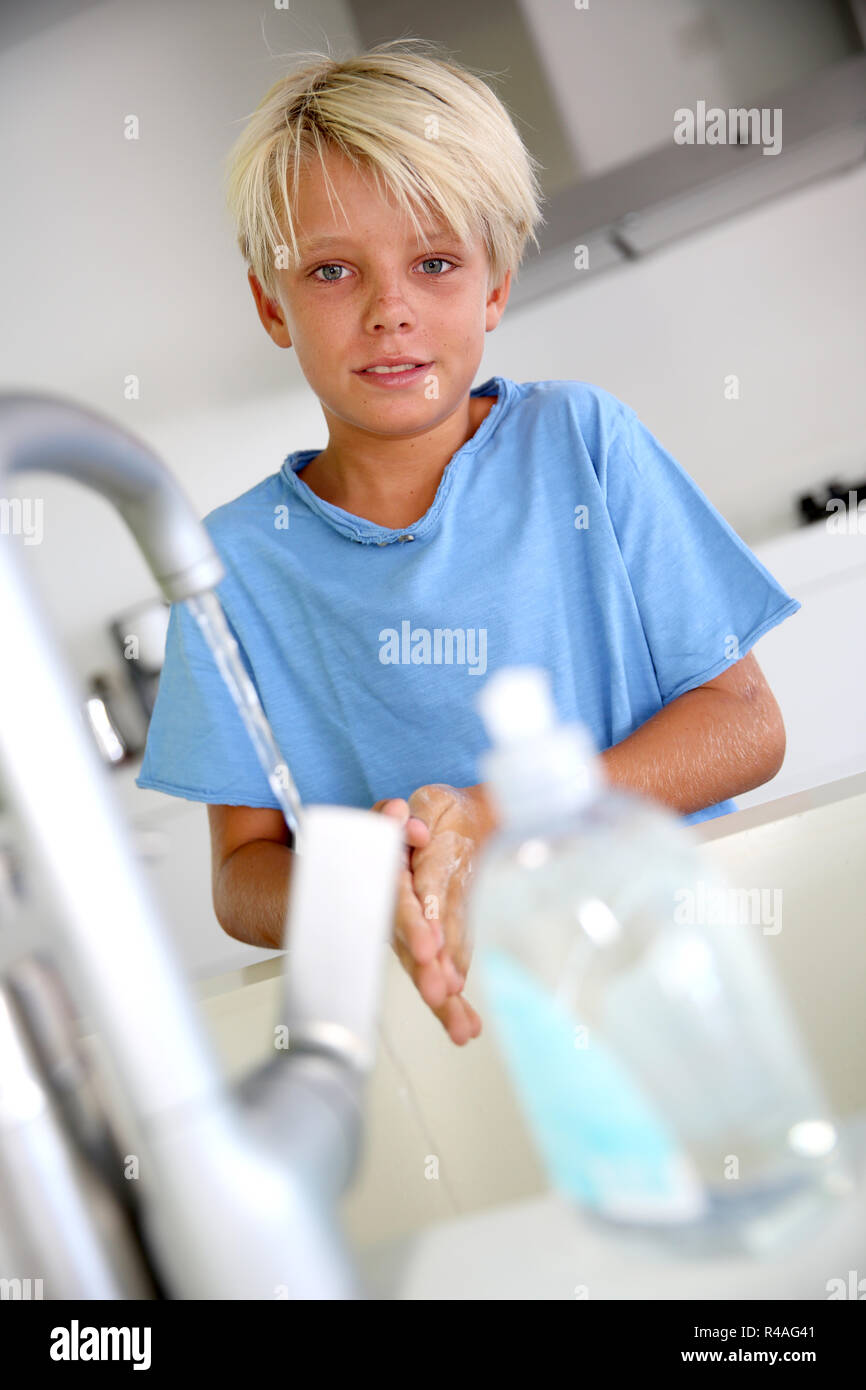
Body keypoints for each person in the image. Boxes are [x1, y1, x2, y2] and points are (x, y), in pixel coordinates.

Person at [136, 39, 799, 1047]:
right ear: (271, 303)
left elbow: (745, 725)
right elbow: (243, 876)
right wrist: (369, 898)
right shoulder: (228, 568)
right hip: (439, 1010)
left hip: (677, 972)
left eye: (435, 262)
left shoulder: (583, 442)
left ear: (492, 285)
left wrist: (492, 819)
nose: (389, 308)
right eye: (330, 271)